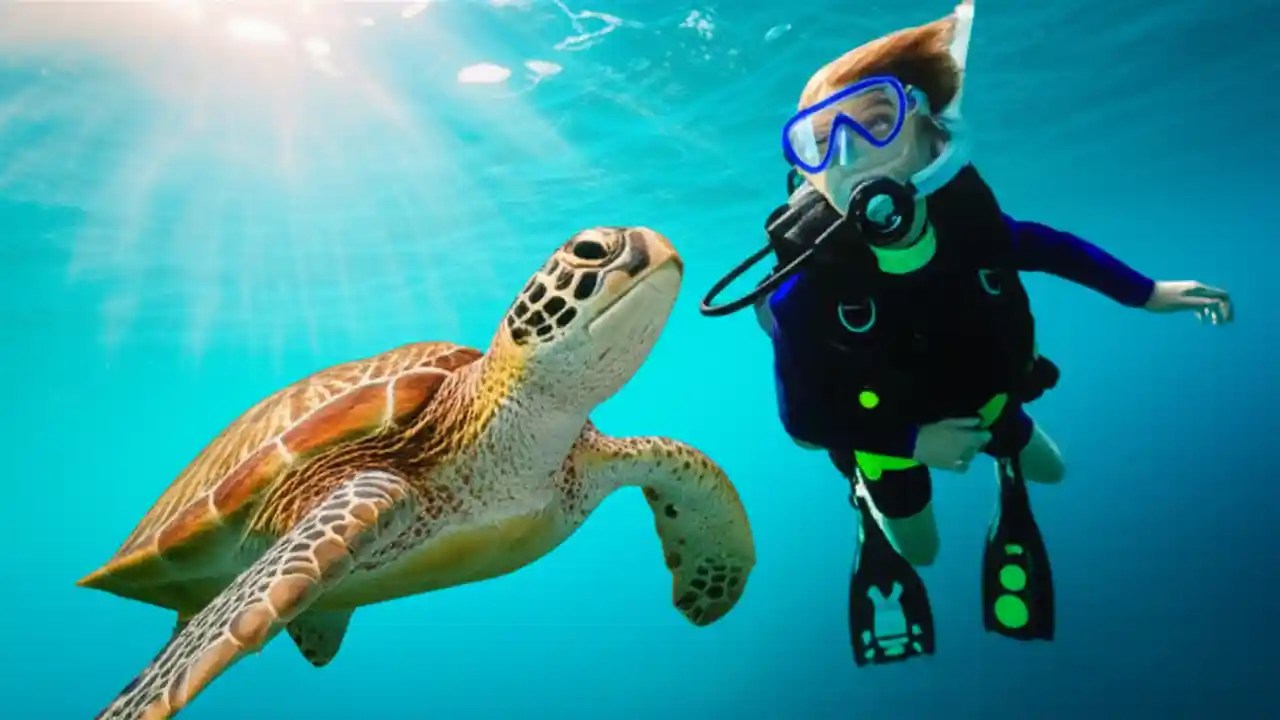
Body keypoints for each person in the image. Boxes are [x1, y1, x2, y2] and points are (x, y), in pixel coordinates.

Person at [741, 0, 1234, 660]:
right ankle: (864, 493)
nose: (850, 154)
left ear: (930, 132)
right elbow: (804, 422)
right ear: (805, 169)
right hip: (889, 438)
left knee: (1055, 471)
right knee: (923, 550)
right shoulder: (808, 291)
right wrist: (917, 442)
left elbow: (1055, 248)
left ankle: (1004, 463)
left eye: (877, 122)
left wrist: (1147, 294)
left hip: (988, 401)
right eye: (821, 139)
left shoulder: (972, 229)